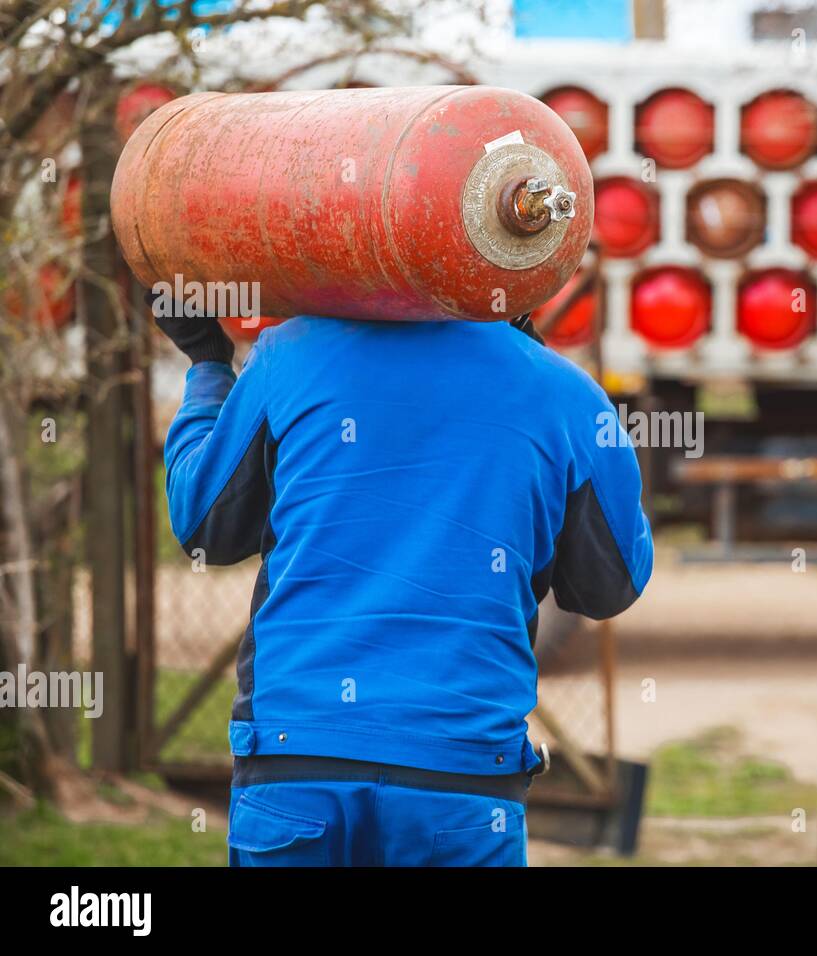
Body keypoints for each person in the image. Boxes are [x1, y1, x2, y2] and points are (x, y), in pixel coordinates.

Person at [155, 310, 653, 866]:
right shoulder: (564, 394)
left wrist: (207, 365)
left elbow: (205, 524)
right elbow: (611, 584)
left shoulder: (289, 356)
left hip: (298, 761)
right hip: (463, 779)